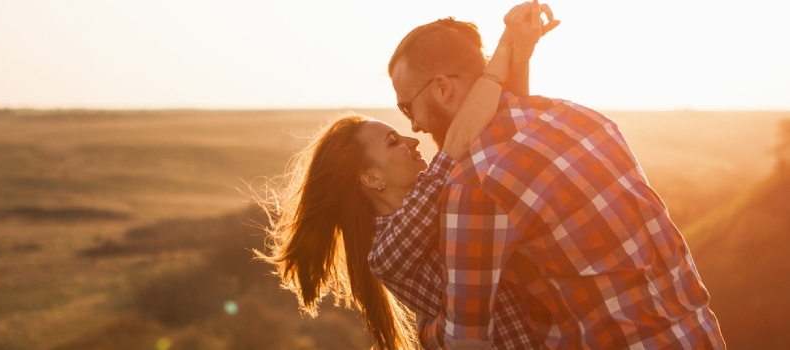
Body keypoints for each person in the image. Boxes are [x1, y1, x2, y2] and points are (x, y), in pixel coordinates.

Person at [382, 0, 727, 349]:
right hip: (699, 335)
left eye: (406, 106)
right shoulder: (582, 119)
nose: (413, 125)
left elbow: (467, 343)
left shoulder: (474, 187)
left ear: (442, 88)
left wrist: (424, 328)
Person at [256, 3, 552, 349]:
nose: (412, 136)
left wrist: (522, 49)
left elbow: (506, 135)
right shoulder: (388, 253)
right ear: (371, 178)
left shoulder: (441, 203)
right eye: (393, 141)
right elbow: (461, 137)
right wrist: (506, 46)